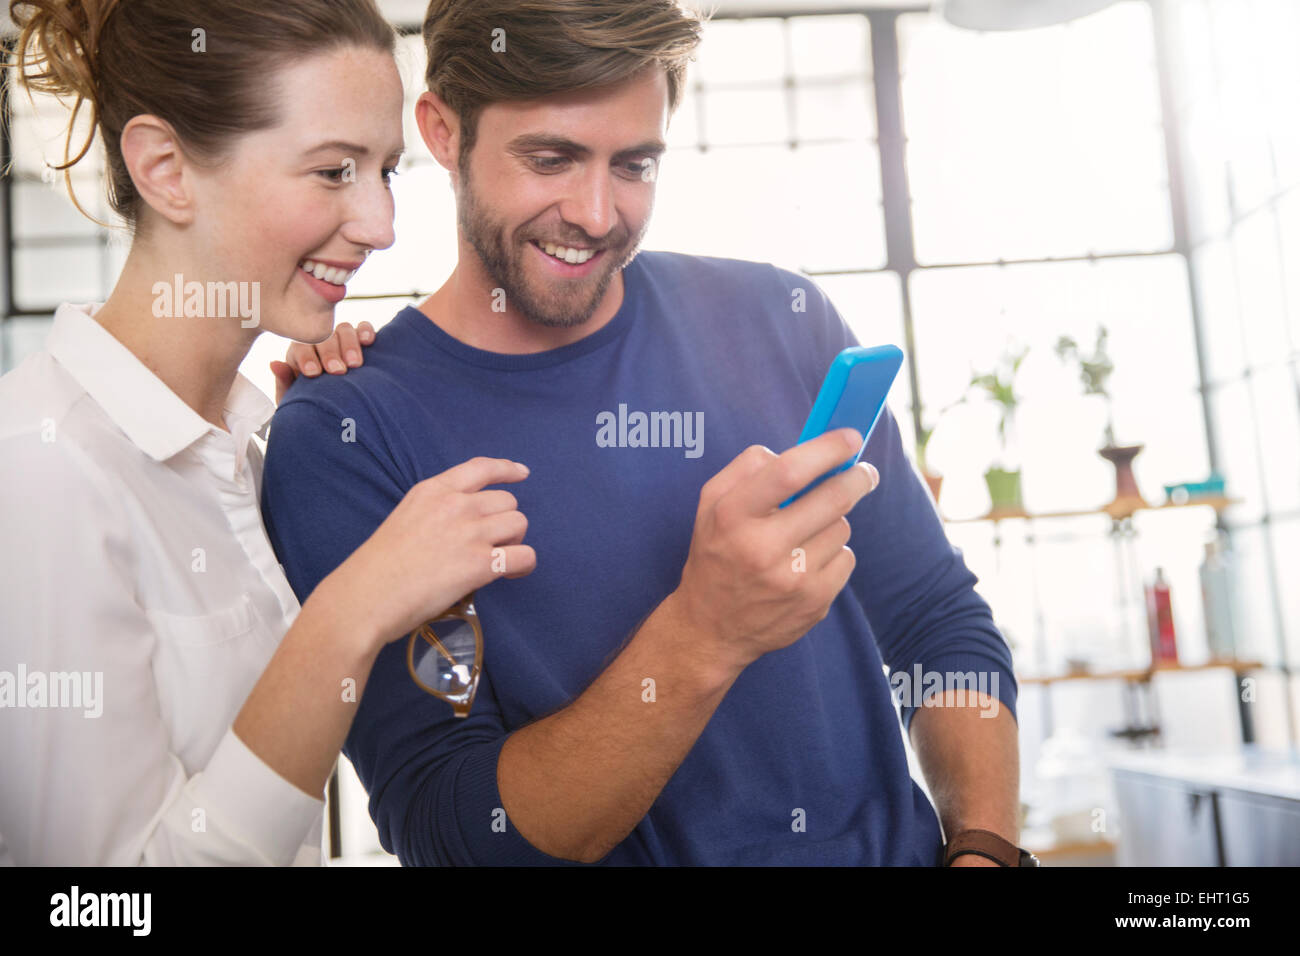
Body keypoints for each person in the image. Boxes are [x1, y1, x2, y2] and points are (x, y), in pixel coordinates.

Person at [261, 0, 1021, 866]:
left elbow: (936, 622)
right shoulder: (348, 434)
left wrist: (986, 850)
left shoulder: (783, 319)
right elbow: (453, 831)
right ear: (442, 131)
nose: (594, 213)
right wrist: (706, 631)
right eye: (550, 159)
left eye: (634, 164)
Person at [0, 0, 535, 866]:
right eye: (332, 172)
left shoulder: (252, 454)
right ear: (166, 168)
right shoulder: (39, 471)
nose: (381, 224)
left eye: (386, 171)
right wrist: (351, 611)